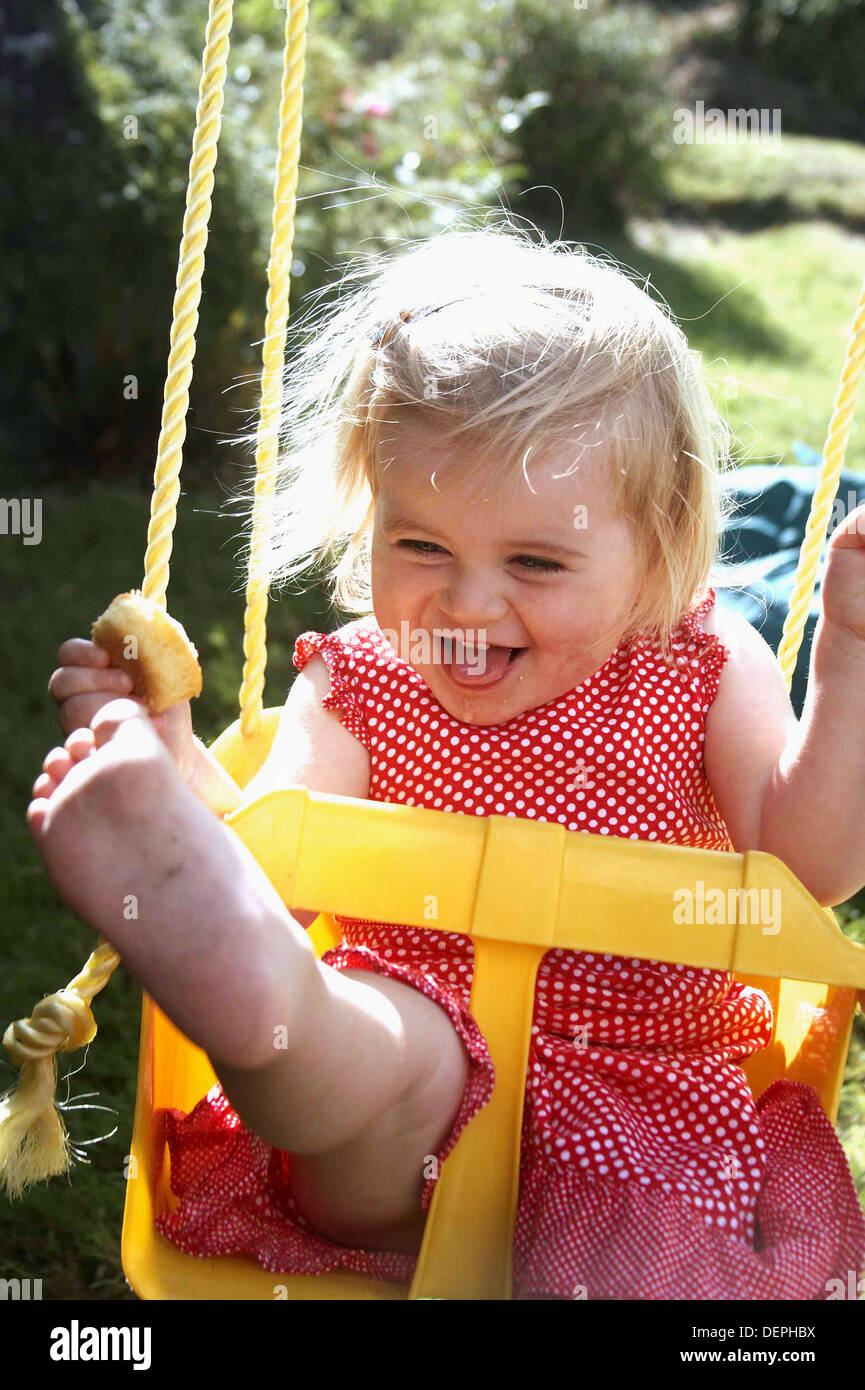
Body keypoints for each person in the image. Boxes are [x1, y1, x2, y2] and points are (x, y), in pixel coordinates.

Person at [30, 222, 865, 1298]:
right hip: (394, 1117)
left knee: (648, 1277)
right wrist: (173, 756)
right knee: (386, 1044)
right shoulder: (359, 679)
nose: (466, 604)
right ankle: (252, 1002)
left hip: (648, 1116)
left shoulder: (700, 663)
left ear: (655, 547)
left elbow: (811, 869)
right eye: (419, 544)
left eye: (533, 559)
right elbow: (277, 864)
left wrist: (845, 662)